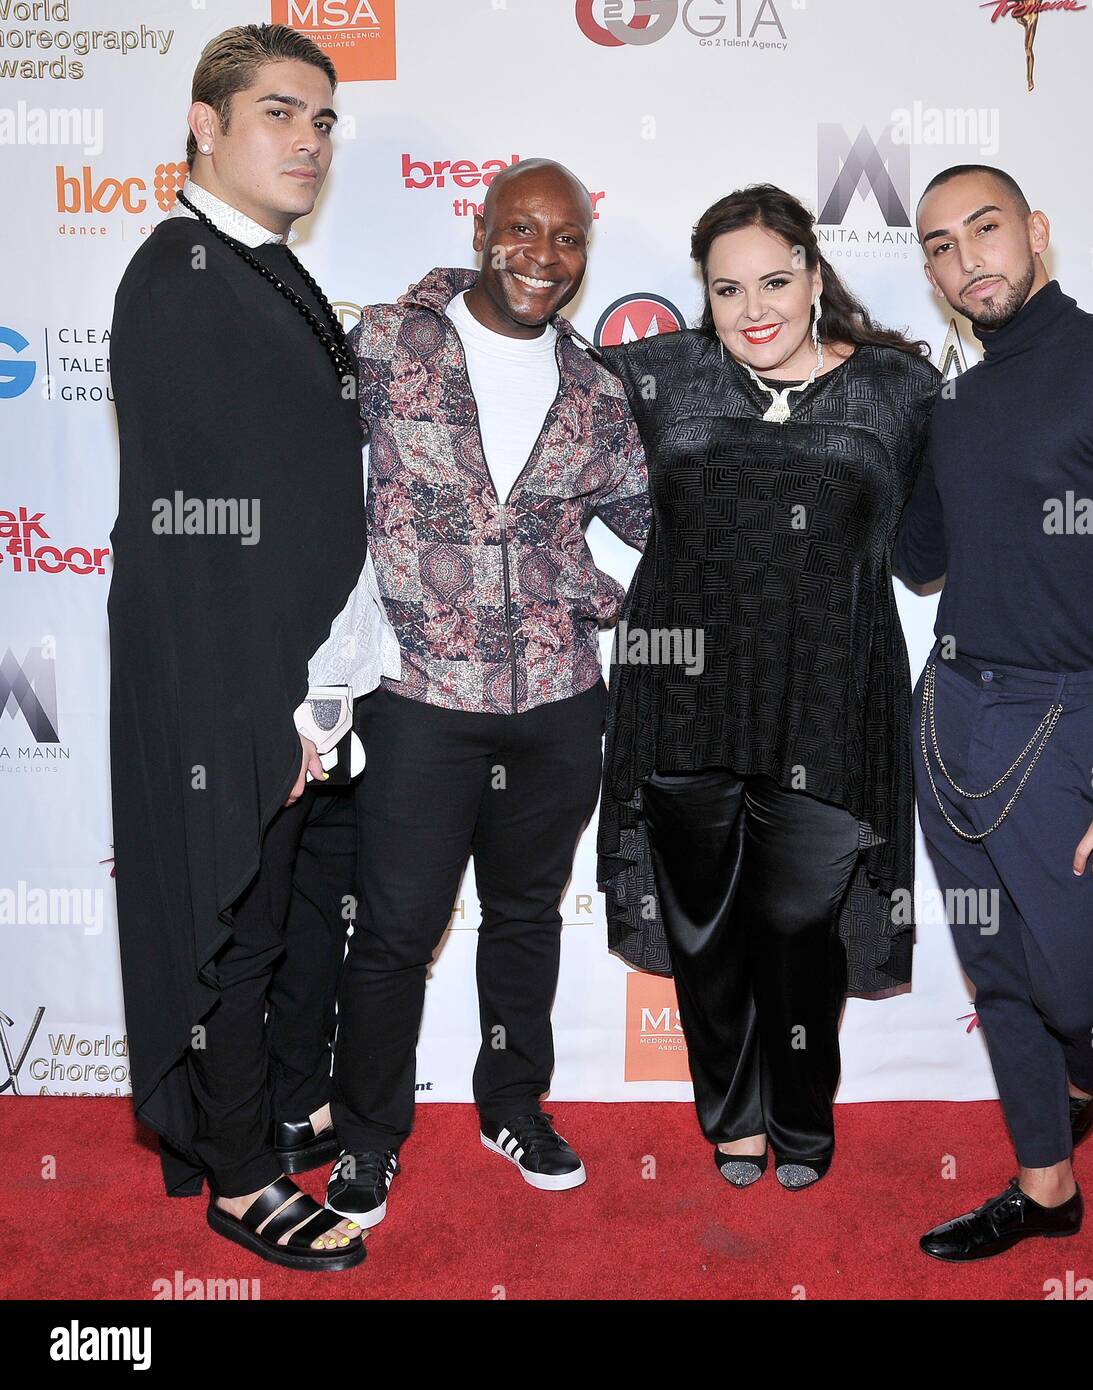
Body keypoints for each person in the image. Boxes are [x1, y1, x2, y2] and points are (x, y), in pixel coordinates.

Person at [895, 164, 1093, 1260]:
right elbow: (921, 559)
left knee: (1077, 998)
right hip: (949, 717)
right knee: (995, 973)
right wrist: (898, 435)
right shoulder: (962, 396)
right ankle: (1045, 1191)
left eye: (983, 230)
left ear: (1035, 230)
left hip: (1074, 737)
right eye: (938, 245)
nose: (964, 260)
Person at [109, 23, 395, 1269]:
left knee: (282, 916)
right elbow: (198, 531)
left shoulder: (259, 267)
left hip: (301, 673)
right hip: (235, 678)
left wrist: (327, 690)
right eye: (279, 113)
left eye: (323, 120)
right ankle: (238, 1178)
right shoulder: (181, 274)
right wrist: (275, 711)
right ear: (203, 122)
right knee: (231, 919)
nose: (308, 142)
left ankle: (271, 1114)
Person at [324, 159, 651, 1227]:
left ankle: (512, 1102)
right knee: (393, 929)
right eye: (521, 230)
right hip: (418, 696)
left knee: (524, 916)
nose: (541, 258)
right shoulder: (386, 342)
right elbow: (299, 466)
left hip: (559, 698)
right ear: (480, 226)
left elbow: (658, 520)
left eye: (565, 239)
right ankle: (367, 1135)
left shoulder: (598, 390)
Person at [596, 184, 940, 1191]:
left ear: (815, 276)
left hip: (829, 696)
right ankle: (732, 1117)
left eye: (776, 281)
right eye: (728, 287)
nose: (755, 308)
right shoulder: (658, 377)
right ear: (701, 295)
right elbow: (525, 370)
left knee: (798, 924)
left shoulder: (899, 389)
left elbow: (946, 528)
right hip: (682, 690)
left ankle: (800, 1107)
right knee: (703, 921)